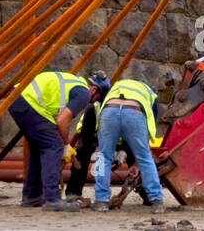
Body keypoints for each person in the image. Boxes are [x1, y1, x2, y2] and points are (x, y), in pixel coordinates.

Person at [65, 73, 153, 206]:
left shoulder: (121, 102)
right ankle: (73, 193)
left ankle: (147, 195)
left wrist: (122, 153)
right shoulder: (93, 108)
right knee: (83, 154)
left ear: (97, 90)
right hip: (97, 133)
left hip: (123, 137)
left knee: (135, 157)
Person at [9, 70, 92, 211]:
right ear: (94, 89)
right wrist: (66, 144)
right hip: (28, 101)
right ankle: (53, 199)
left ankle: (32, 196)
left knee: (38, 146)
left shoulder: (71, 84)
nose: (91, 103)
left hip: (17, 98)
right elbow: (62, 120)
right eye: (95, 99)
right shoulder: (84, 93)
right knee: (54, 145)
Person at [92, 78, 165, 212]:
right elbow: (150, 125)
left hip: (109, 111)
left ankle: (101, 201)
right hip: (134, 111)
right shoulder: (150, 93)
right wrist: (137, 163)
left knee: (103, 157)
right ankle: (157, 201)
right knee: (145, 158)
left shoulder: (117, 86)